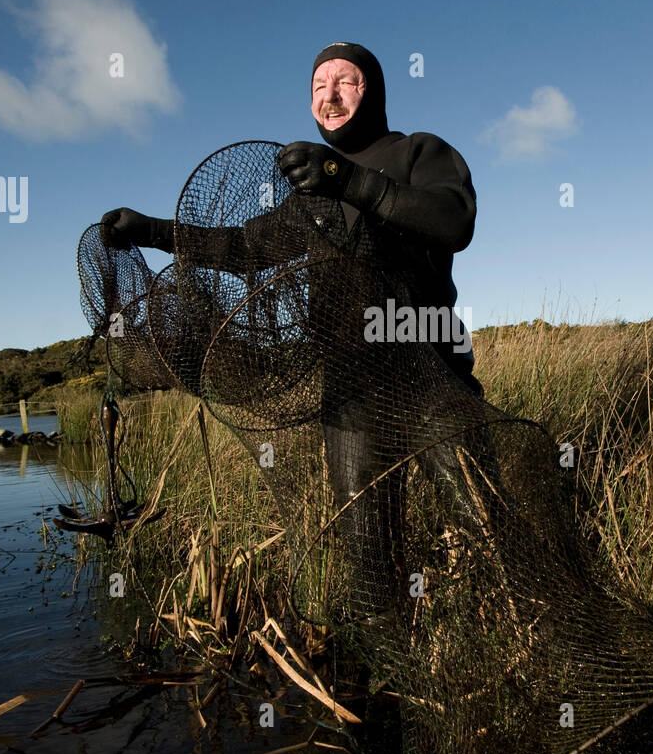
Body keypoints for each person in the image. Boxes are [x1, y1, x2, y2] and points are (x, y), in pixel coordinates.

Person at [100, 41, 492, 657]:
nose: (329, 95)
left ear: (375, 91)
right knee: (369, 557)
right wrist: (150, 230)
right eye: (317, 87)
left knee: (488, 521)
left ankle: (520, 638)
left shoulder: (417, 151)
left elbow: (454, 221)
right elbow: (241, 248)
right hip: (351, 392)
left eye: (346, 81)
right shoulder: (307, 195)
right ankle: (390, 672)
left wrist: (349, 178)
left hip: (429, 370)